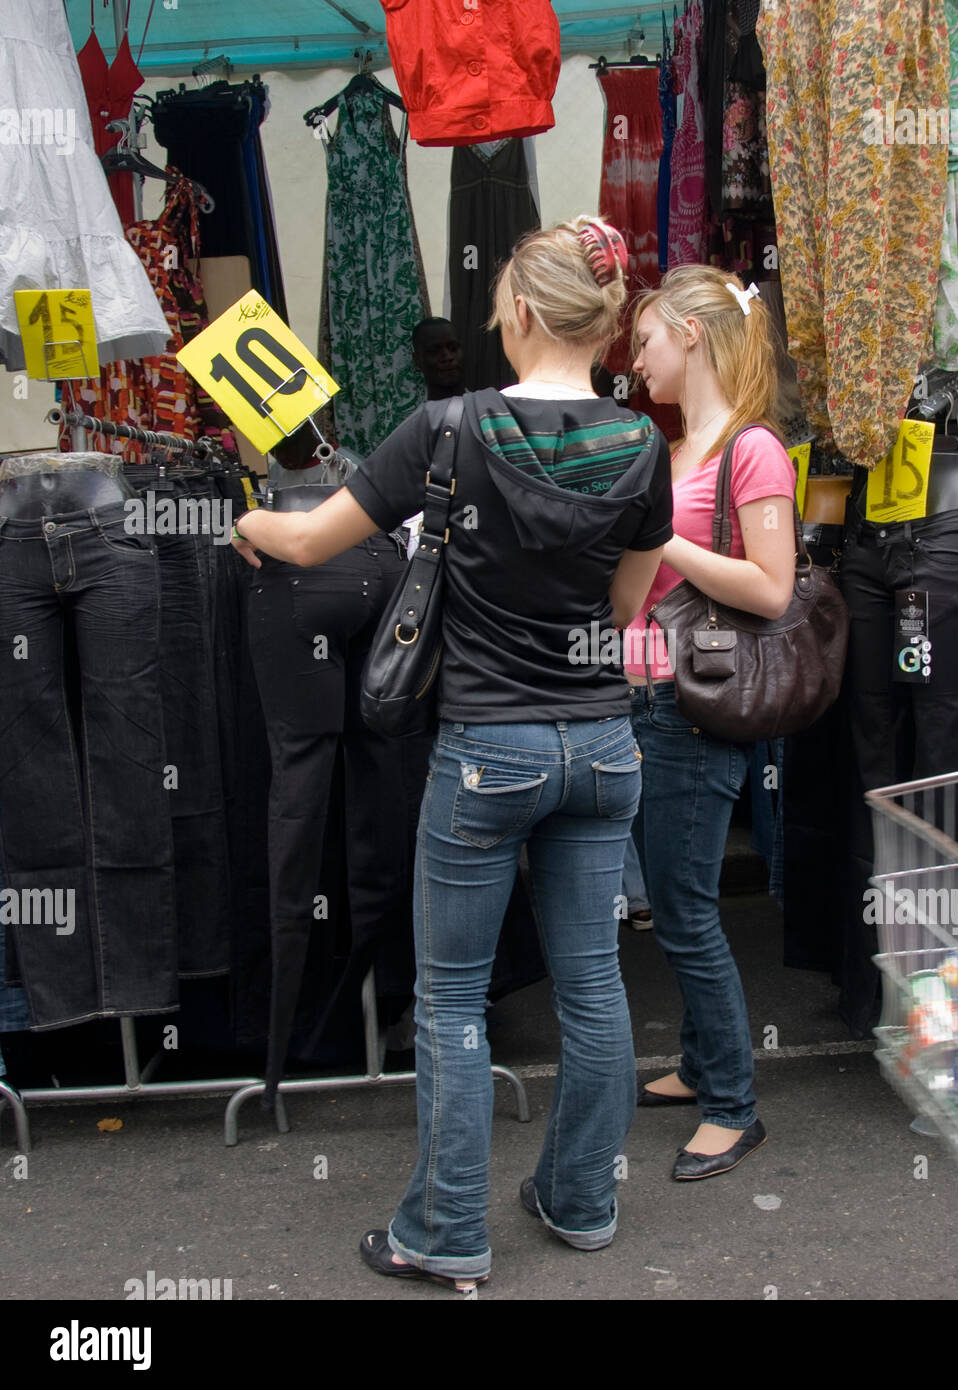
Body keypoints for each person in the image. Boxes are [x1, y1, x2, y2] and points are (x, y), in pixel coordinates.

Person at [231, 216, 673, 1290]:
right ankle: (579, 1202)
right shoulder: (640, 443)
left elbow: (302, 540)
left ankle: (442, 1230)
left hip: (488, 750)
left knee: (451, 998)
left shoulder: (447, 429)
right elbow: (623, 605)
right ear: (605, 318)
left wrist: (244, 524)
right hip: (601, 746)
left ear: (518, 312)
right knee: (594, 989)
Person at [624, 266, 796, 1180]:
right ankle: (700, 1068)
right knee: (677, 891)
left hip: (698, 705)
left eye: (646, 338)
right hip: (655, 696)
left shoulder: (751, 448)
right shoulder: (677, 448)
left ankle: (734, 1102)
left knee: (685, 908)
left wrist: (660, 539)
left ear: (691, 335)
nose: (636, 357)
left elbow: (771, 588)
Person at [412, 316, 466, 399]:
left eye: (453, 348)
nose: (448, 357)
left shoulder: (488, 405)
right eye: (434, 351)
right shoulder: (422, 412)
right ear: (417, 360)